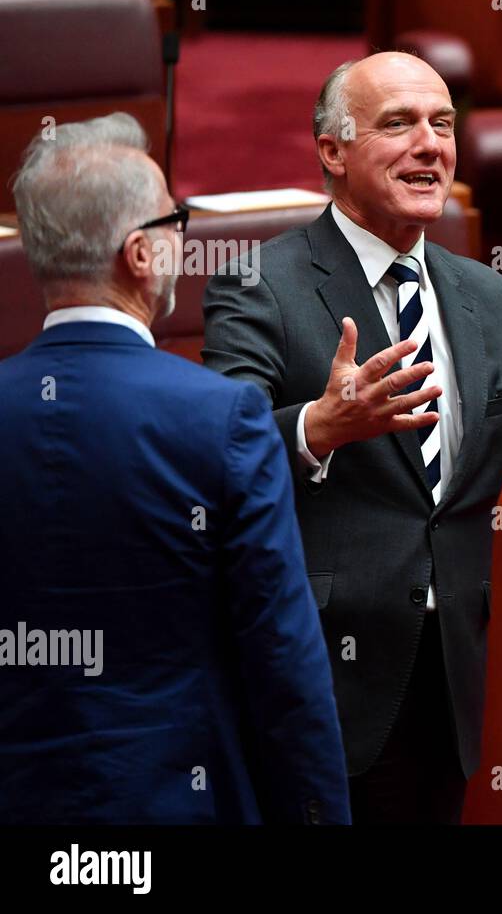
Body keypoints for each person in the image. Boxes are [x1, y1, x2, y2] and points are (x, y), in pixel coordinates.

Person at [202, 52, 502, 823]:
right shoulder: (259, 284)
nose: (430, 145)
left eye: (443, 124)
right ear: (332, 151)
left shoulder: (487, 296)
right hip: (317, 675)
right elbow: (220, 459)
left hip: (447, 678)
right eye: (398, 124)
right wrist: (319, 428)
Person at [0, 113, 349, 824]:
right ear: (138, 254)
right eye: (173, 221)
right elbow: (282, 657)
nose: (181, 240)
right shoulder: (220, 420)